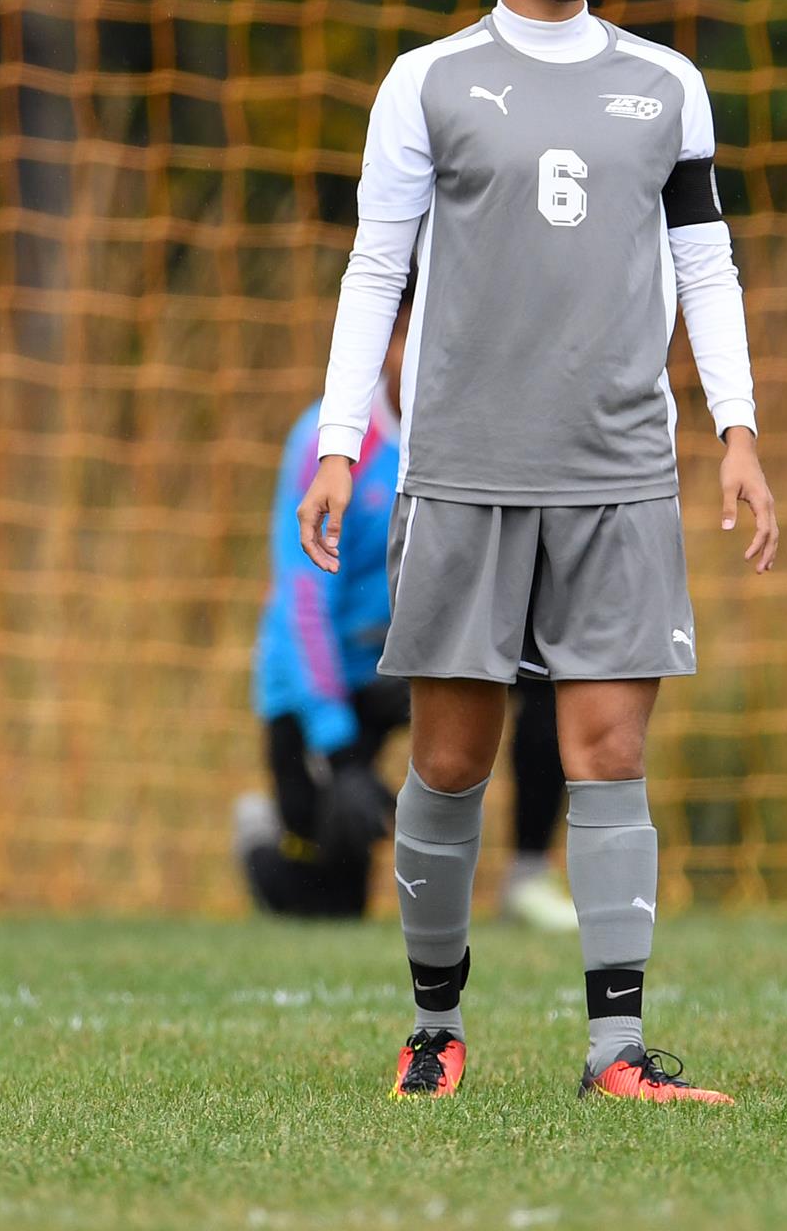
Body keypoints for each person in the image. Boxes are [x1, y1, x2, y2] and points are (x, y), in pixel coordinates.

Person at [297, 0, 777, 1104]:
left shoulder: (665, 84)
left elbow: (705, 266)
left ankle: (615, 1053)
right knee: (450, 761)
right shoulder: (426, 82)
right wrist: (339, 444)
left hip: (618, 472)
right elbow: (375, 272)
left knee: (607, 754)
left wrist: (735, 428)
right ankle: (433, 1030)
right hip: (462, 470)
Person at [241, 284, 576, 930]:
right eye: (411, 338)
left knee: (550, 669)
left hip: (419, 656)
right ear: (388, 342)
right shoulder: (331, 442)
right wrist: (339, 750)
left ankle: (528, 873)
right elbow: (303, 605)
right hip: (329, 683)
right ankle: (264, 833)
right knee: (328, 902)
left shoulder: (476, 435)